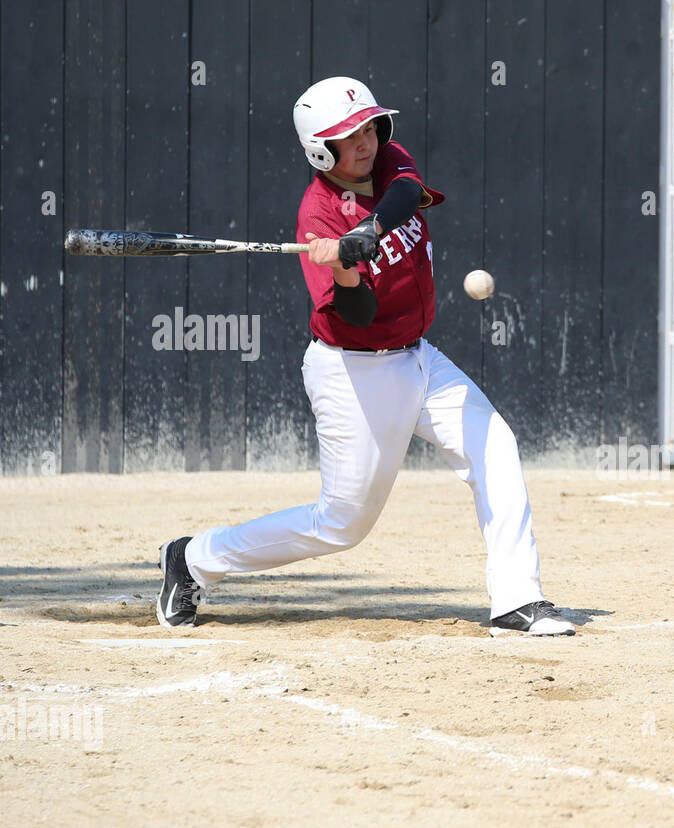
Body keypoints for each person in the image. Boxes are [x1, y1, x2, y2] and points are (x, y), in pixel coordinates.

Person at [155, 76, 575, 636]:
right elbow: (355, 314)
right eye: (348, 136)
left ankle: (517, 600)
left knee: (494, 444)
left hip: (419, 357)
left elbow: (406, 190)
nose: (366, 142)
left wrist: (369, 229)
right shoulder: (317, 216)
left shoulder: (384, 162)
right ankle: (193, 559)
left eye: (370, 127)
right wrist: (342, 264)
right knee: (342, 526)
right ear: (319, 150)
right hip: (355, 371)